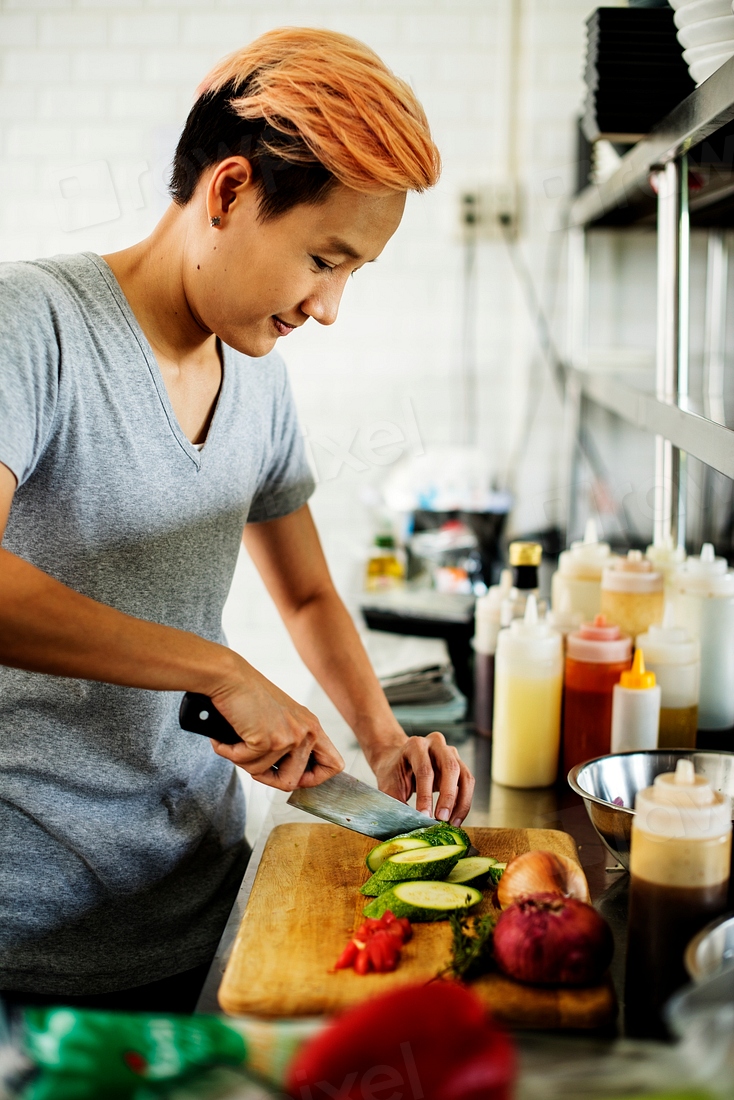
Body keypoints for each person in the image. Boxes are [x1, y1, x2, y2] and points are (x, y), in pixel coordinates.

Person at [0, 27, 475, 1012]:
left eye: (354, 272)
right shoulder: (32, 324)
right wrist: (218, 667)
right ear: (227, 193)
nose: (331, 306)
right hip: (29, 937)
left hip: (203, 904)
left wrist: (378, 735)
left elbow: (302, 591)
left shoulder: (258, 380)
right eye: (322, 257)